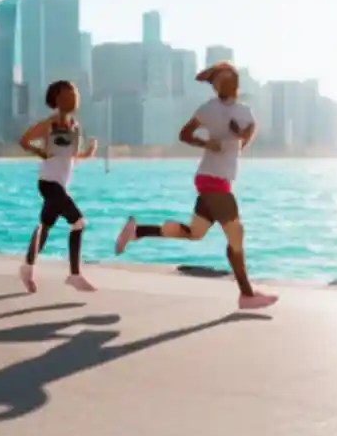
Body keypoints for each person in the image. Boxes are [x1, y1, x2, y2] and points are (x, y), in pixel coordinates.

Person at [115, 61, 278, 311]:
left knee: (194, 233)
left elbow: (249, 133)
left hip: (222, 179)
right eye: (218, 80)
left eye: (227, 78)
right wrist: (207, 144)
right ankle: (246, 294)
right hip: (210, 178)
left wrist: (240, 134)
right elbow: (184, 134)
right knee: (236, 234)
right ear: (215, 85)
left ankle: (138, 231)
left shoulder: (245, 111)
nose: (223, 83)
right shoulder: (208, 109)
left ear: (236, 81)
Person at [17, 80, 99, 293]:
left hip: (60, 185)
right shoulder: (48, 124)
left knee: (44, 227)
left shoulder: (75, 126)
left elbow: (70, 157)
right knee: (78, 222)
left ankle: (27, 268)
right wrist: (42, 153)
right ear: (57, 100)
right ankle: (74, 274)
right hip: (48, 183)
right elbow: (24, 140)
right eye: (67, 95)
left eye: (74, 94)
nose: (73, 98)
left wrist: (87, 154)